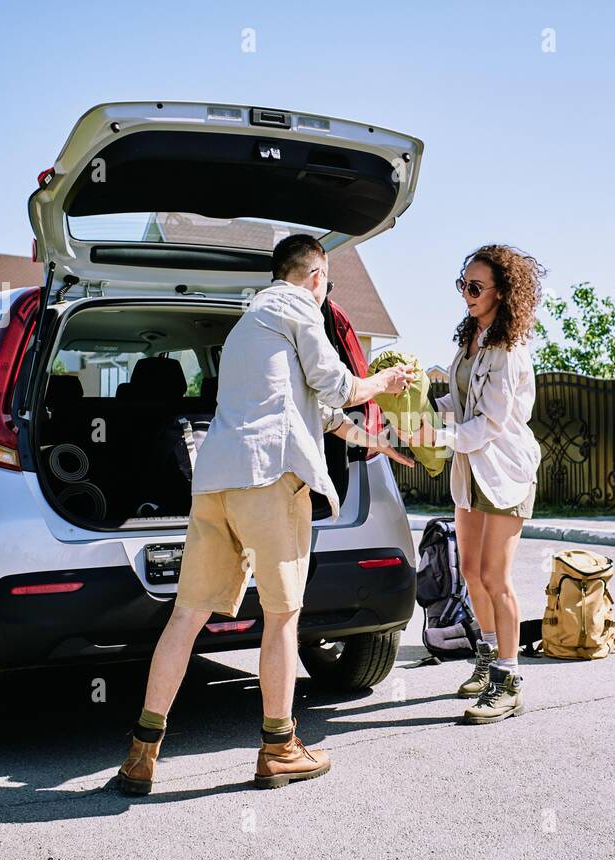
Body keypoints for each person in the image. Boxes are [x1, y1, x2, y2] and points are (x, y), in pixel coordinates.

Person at [116, 234, 417, 794]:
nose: (326, 293)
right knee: (282, 617)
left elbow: (314, 411)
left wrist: (376, 441)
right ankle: (279, 748)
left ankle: (141, 753)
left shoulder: (246, 327)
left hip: (216, 483)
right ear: (314, 275)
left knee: (187, 616)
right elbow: (340, 385)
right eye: (326, 282)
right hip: (268, 479)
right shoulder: (297, 307)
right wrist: (385, 382)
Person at [401, 244, 544, 724]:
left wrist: (437, 435)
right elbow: (458, 406)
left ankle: (510, 681)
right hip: (471, 471)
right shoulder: (472, 339)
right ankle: (484, 660)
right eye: (463, 284)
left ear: (502, 292)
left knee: (494, 577)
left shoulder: (510, 350)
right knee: (470, 573)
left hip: (504, 472)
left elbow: (492, 424)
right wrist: (418, 407)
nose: (467, 293)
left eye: (476, 286)